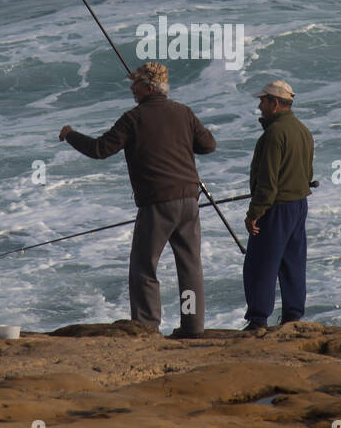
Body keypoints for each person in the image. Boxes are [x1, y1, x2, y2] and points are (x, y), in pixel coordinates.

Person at [58, 62, 216, 338]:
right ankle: (192, 327)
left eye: (136, 83)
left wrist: (70, 135)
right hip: (189, 200)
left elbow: (100, 150)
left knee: (144, 265)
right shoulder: (184, 113)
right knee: (190, 266)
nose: (131, 88)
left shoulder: (134, 118)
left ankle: (146, 325)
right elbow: (208, 146)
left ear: (148, 87)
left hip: (157, 203)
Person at [242, 80, 314, 331]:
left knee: (261, 262)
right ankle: (293, 317)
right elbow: (308, 174)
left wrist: (254, 213)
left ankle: (258, 320)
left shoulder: (274, 134)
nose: (260, 105)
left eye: (263, 100)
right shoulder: (303, 130)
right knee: (292, 262)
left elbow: (268, 182)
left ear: (274, 103)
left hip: (276, 208)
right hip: (298, 205)